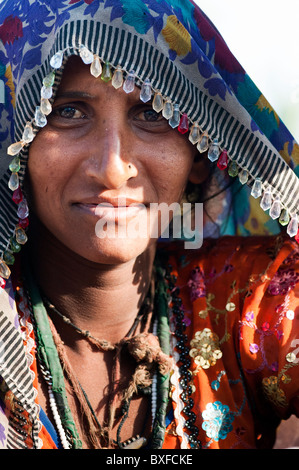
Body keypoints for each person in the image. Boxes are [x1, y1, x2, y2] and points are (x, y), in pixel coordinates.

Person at [0, 0, 298, 451]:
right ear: (16, 140)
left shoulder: (253, 300)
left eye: (153, 113)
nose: (113, 170)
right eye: (69, 111)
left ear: (198, 152)